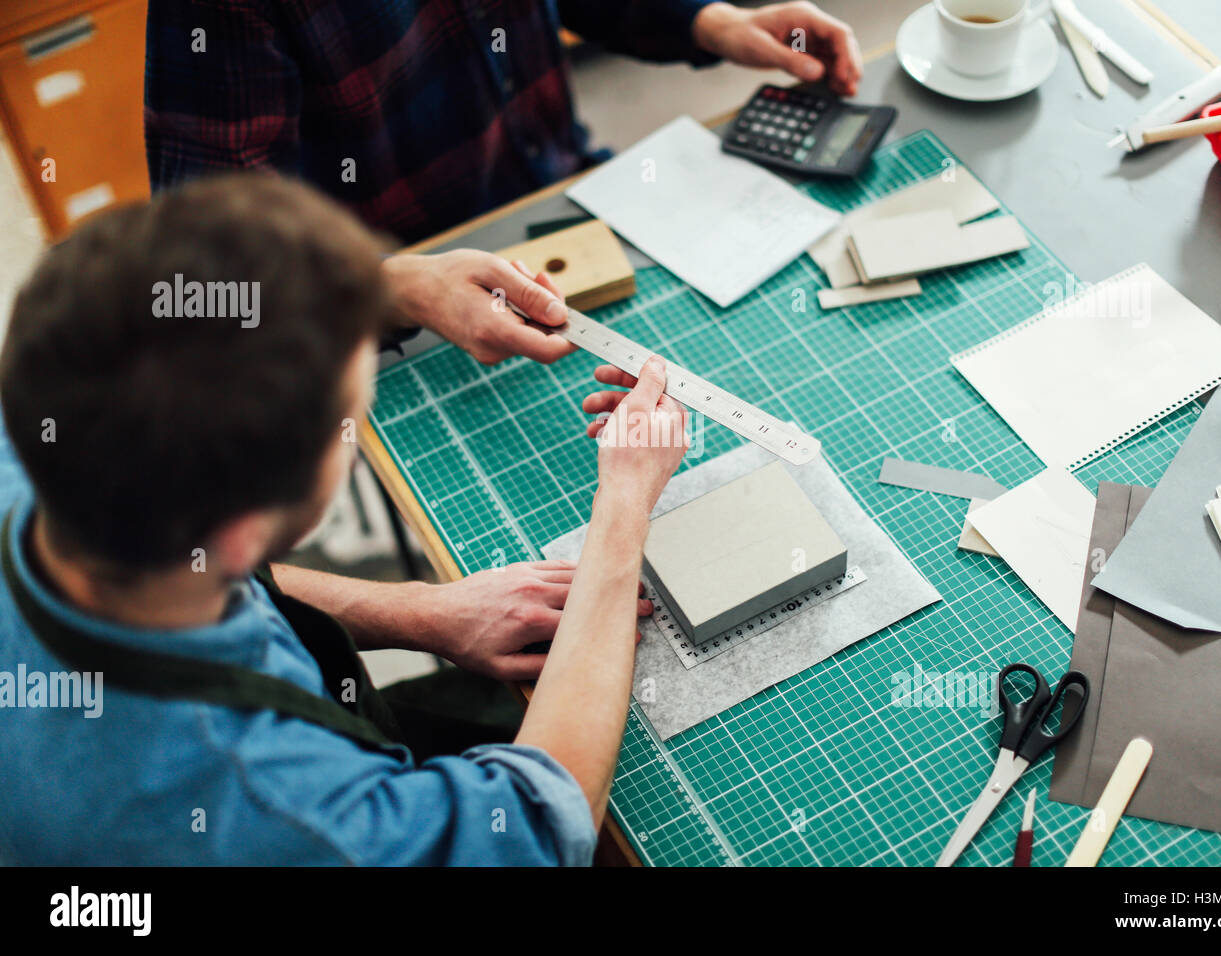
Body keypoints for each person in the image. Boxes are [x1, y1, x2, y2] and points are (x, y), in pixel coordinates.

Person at [0, 173, 687, 865]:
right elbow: (537, 826)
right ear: (250, 531)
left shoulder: (45, 423)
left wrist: (390, 287)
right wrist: (623, 506)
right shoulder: (285, 813)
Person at [144, 0, 864, 363]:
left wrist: (709, 21)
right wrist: (396, 288)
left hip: (561, 195)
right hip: (396, 308)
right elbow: (206, 263)